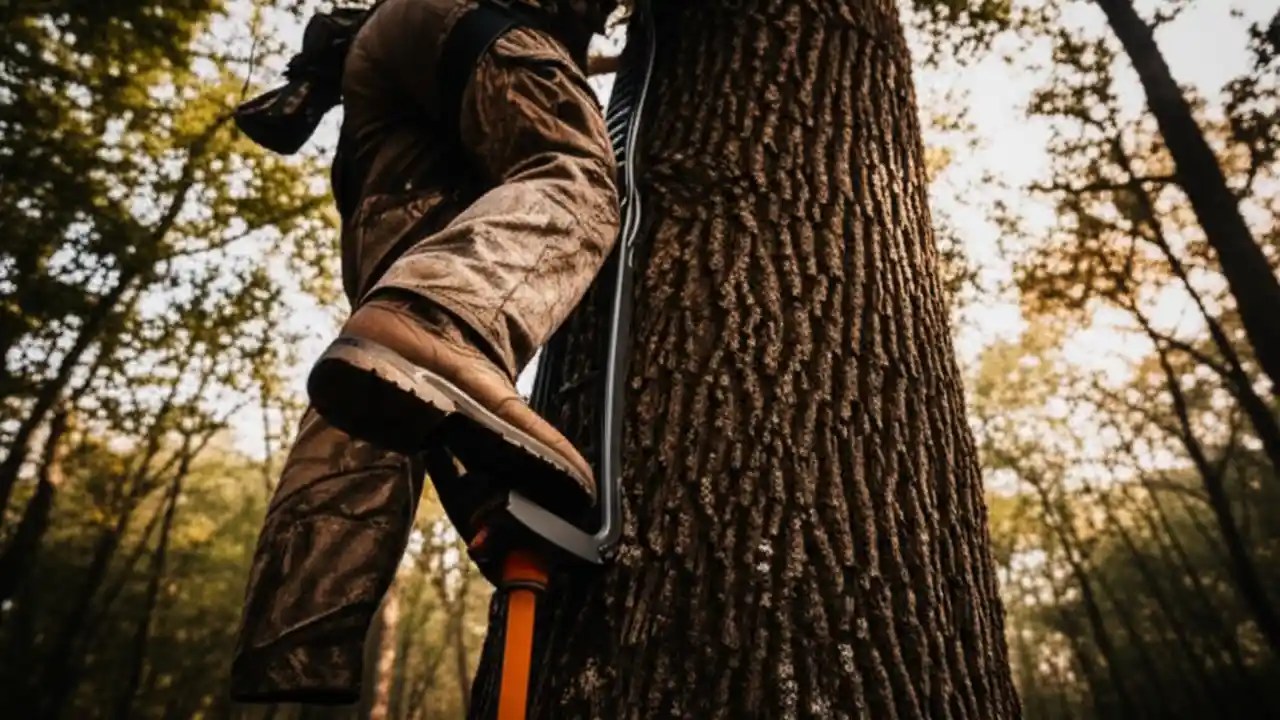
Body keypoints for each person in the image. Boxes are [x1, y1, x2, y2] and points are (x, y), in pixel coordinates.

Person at [230, 0, 619, 703]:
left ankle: (301, 622)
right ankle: (448, 325)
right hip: (471, 28)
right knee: (572, 171)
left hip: (385, 113)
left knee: (384, 362)